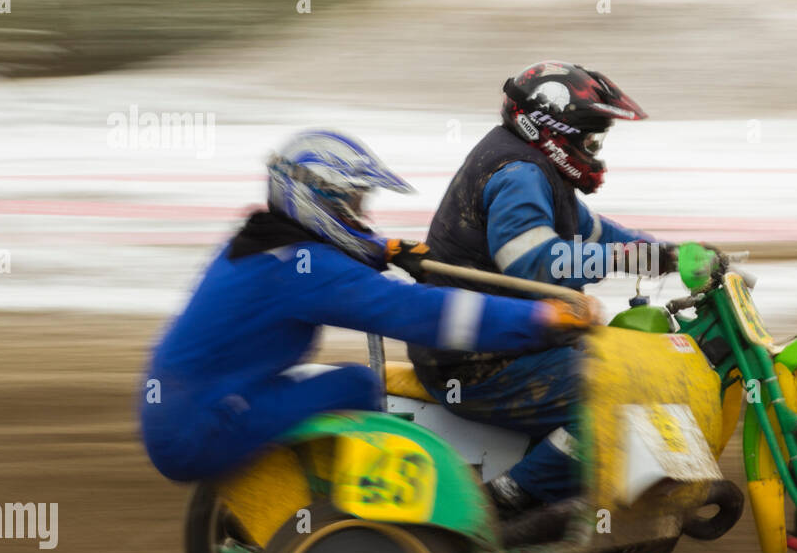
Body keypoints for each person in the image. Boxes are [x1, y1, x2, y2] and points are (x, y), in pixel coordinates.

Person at [139, 129, 594, 483]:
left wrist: (382, 248)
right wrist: (538, 318)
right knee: (359, 384)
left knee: (352, 381)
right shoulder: (304, 268)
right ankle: (389, 509)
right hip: (196, 431)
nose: (362, 216)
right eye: (354, 203)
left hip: (185, 411)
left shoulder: (266, 245)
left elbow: (330, 260)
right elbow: (422, 314)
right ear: (321, 199)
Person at [408, 61, 677, 517]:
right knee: (622, 395)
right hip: (475, 359)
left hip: (506, 341)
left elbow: (595, 233)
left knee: (631, 368)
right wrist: (627, 259)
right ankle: (506, 503)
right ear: (556, 129)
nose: (595, 149)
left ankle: (579, 502)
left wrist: (664, 254)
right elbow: (534, 264)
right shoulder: (517, 172)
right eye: (591, 137)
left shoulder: (536, 166)